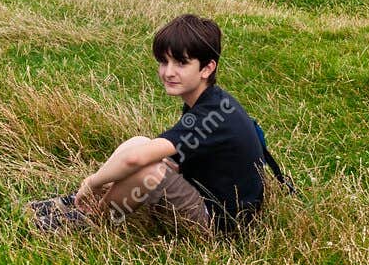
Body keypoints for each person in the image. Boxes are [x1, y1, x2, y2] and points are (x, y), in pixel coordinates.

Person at [28, 14, 286, 235]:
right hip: (207, 193)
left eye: (181, 63)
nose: (168, 72)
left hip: (222, 225)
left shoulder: (210, 114)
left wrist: (93, 181)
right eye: (164, 61)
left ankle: (92, 219)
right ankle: (77, 203)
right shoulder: (212, 102)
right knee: (141, 143)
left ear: (207, 68)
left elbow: (135, 162)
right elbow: (166, 153)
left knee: (146, 170)